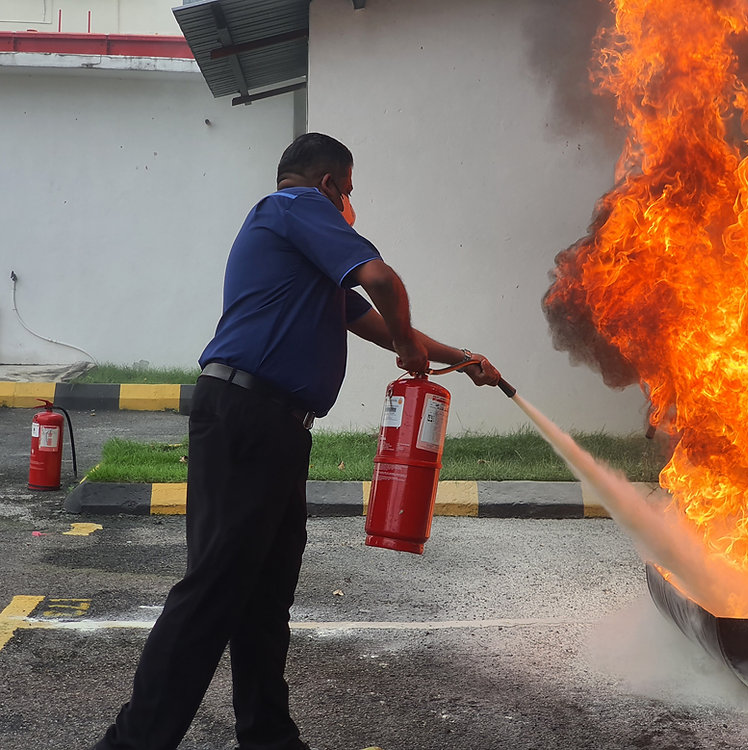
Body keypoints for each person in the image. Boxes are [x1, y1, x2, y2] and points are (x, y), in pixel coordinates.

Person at [90, 132, 502, 750]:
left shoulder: (306, 266)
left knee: (266, 595)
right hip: (247, 418)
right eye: (350, 194)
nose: (350, 208)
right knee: (213, 590)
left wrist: (464, 358)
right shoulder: (292, 208)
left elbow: (384, 327)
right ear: (331, 185)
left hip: (276, 429)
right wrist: (413, 344)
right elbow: (383, 284)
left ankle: (268, 737)